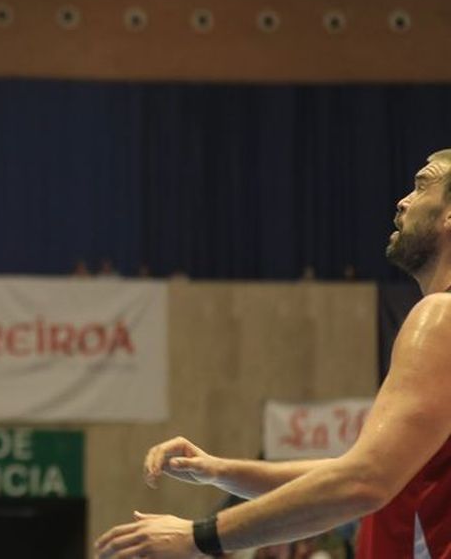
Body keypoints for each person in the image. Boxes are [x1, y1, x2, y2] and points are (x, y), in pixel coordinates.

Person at [96, 150, 451, 558]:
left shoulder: (441, 316)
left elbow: (363, 482)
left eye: (423, 184)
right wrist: (222, 472)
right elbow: (358, 472)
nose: (403, 200)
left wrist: (198, 537)